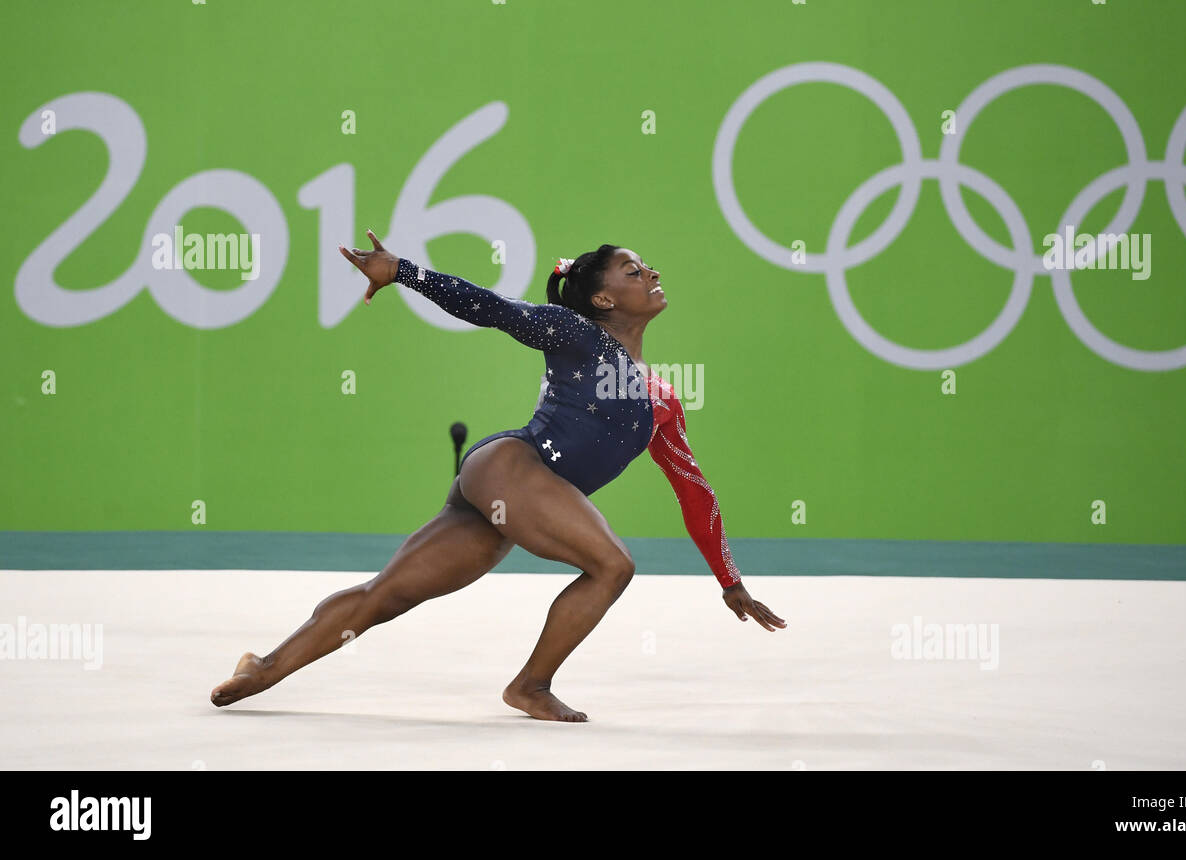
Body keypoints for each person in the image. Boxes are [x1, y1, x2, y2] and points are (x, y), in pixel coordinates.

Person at [210, 231, 786, 722]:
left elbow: (695, 492)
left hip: (507, 504)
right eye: (634, 271)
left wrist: (728, 579)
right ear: (605, 298)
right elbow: (491, 308)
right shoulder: (575, 332)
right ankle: (531, 687)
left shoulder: (660, 400)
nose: (651, 273)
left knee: (386, 596)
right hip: (513, 467)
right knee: (612, 564)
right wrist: (404, 272)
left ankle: (263, 668)